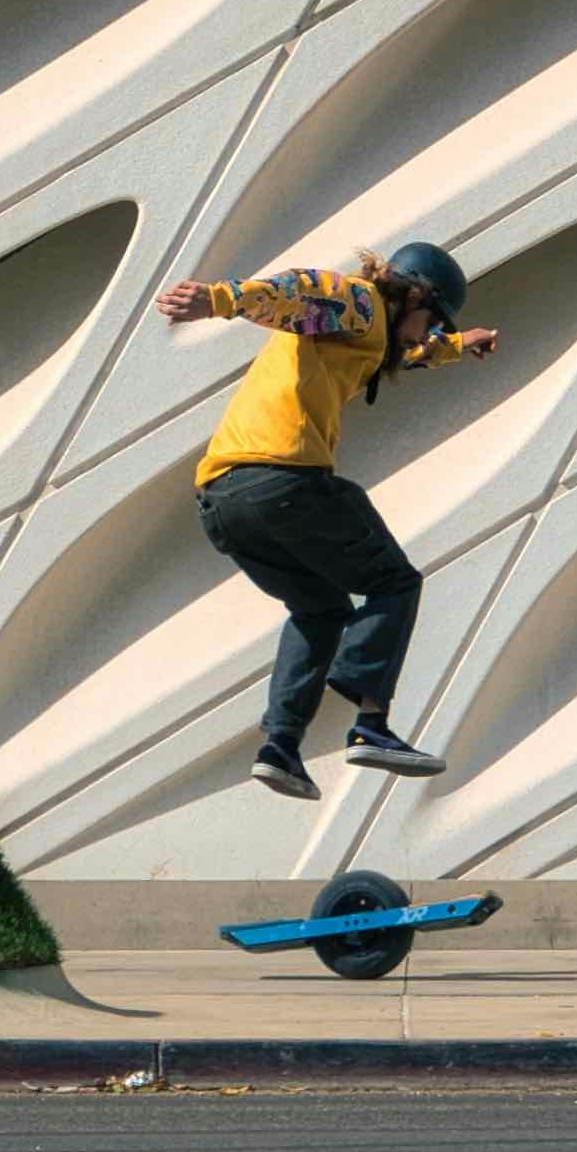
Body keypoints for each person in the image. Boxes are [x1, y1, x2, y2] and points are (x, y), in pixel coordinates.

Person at [157, 236, 493, 798]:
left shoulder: (367, 336)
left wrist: (458, 344)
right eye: (433, 320)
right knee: (395, 582)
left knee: (320, 609)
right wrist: (217, 299)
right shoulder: (359, 304)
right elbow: (301, 291)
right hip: (284, 479)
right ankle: (370, 723)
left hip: (223, 500)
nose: (429, 333)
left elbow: (405, 353)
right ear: (414, 298)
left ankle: (280, 746)